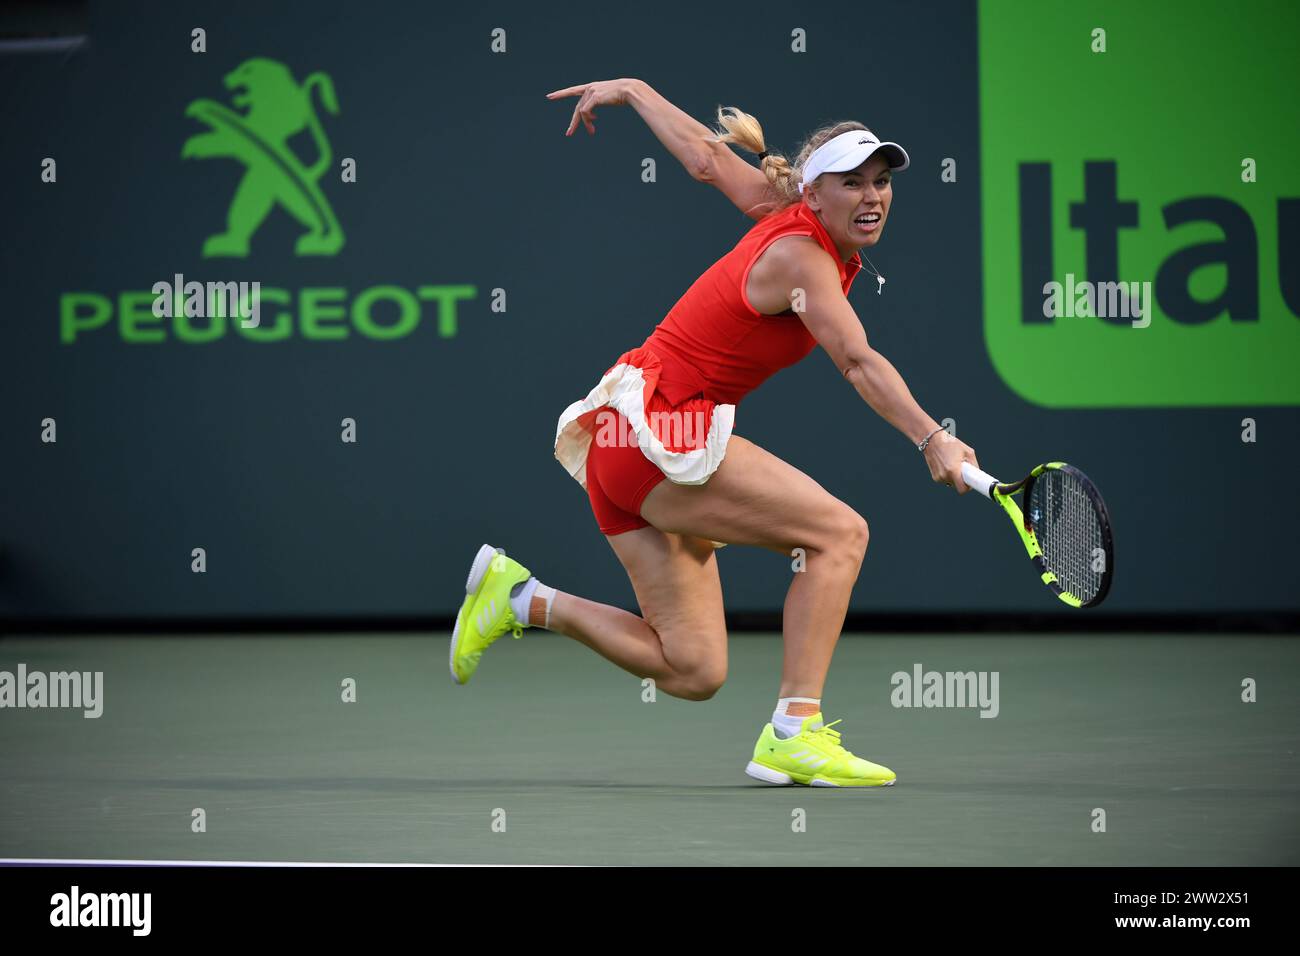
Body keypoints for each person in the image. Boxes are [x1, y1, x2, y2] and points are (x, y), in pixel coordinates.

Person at [450, 79, 980, 788]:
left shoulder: (787, 213)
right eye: (852, 182)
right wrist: (931, 438)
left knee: (693, 667)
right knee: (839, 535)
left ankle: (519, 599)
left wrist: (635, 91)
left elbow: (704, 158)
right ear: (815, 194)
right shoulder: (801, 256)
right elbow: (856, 361)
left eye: (881, 182)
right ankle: (795, 730)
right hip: (656, 435)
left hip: (623, 439)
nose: (872, 196)